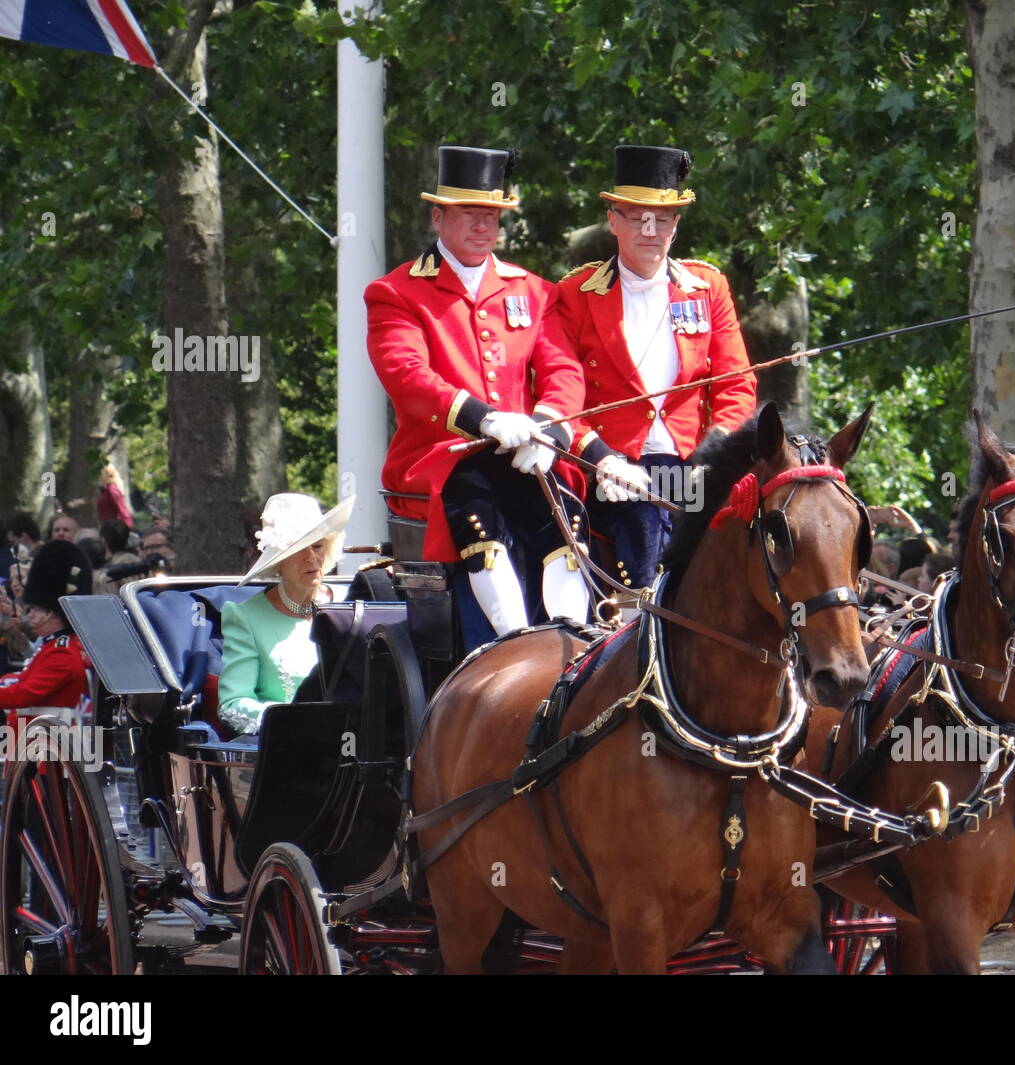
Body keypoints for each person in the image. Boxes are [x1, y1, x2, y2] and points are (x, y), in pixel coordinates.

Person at [365, 145, 590, 639]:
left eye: (492, 215)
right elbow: (406, 374)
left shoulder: (533, 290)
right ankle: (510, 644)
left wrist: (550, 425)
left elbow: (563, 370)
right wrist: (484, 418)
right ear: (437, 216)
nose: (483, 226)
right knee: (478, 519)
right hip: (443, 454)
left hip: (521, 449)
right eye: (470, 213)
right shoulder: (397, 292)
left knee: (564, 514)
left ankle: (571, 639)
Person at [556, 144, 755, 591]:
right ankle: (645, 630)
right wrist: (599, 456)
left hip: (692, 463)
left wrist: (715, 452)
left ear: (677, 224)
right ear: (613, 221)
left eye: (662, 218)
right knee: (645, 517)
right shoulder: (575, 294)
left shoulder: (708, 287)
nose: (650, 229)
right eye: (636, 216)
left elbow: (736, 385)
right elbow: (560, 390)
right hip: (608, 467)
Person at [217, 494, 353, 736]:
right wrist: (290, 721)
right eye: (299, 548)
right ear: (278, 560)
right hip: (291, 752)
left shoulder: (351, 602)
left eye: (318, 545)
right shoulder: (245, 617)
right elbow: (233, 704)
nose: (312, 557)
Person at [0, 541, 93, 737]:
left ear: (54, 612)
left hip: (48, 750)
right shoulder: (54, 646)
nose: (30, 614)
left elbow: (26, 693)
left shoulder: (62, 653)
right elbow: (23, 679)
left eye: (36, 608)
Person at [96, 462, 134, 527]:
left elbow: (121, 509)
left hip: (113, 527)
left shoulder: (112, 489)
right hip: (106, 525)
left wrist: (128, 526)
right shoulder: (105, 490)